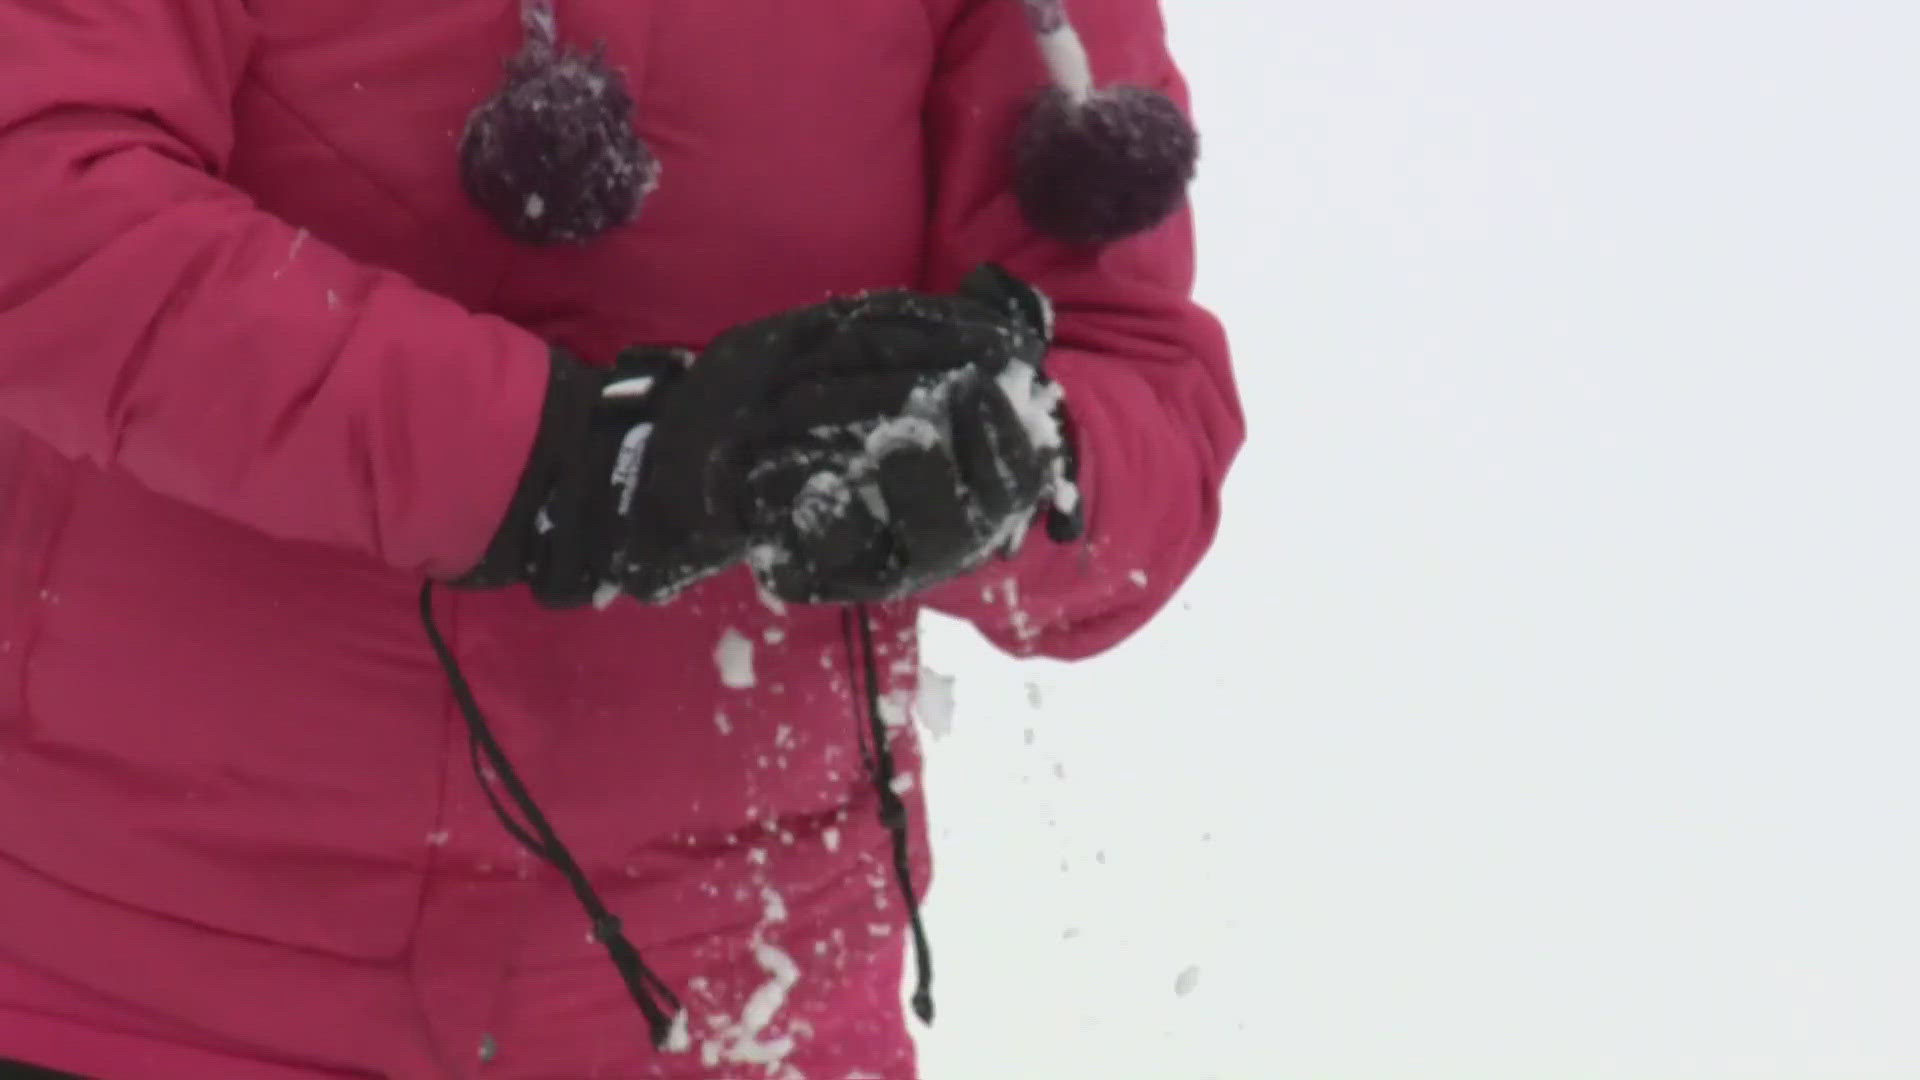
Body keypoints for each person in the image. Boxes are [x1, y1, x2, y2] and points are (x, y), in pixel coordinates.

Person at [0, 0, 1243, 1075]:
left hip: (748, 990)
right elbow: (46, 208)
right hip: (158, 969)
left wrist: (1016, 469)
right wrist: (560, 461)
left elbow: (1130, 371)